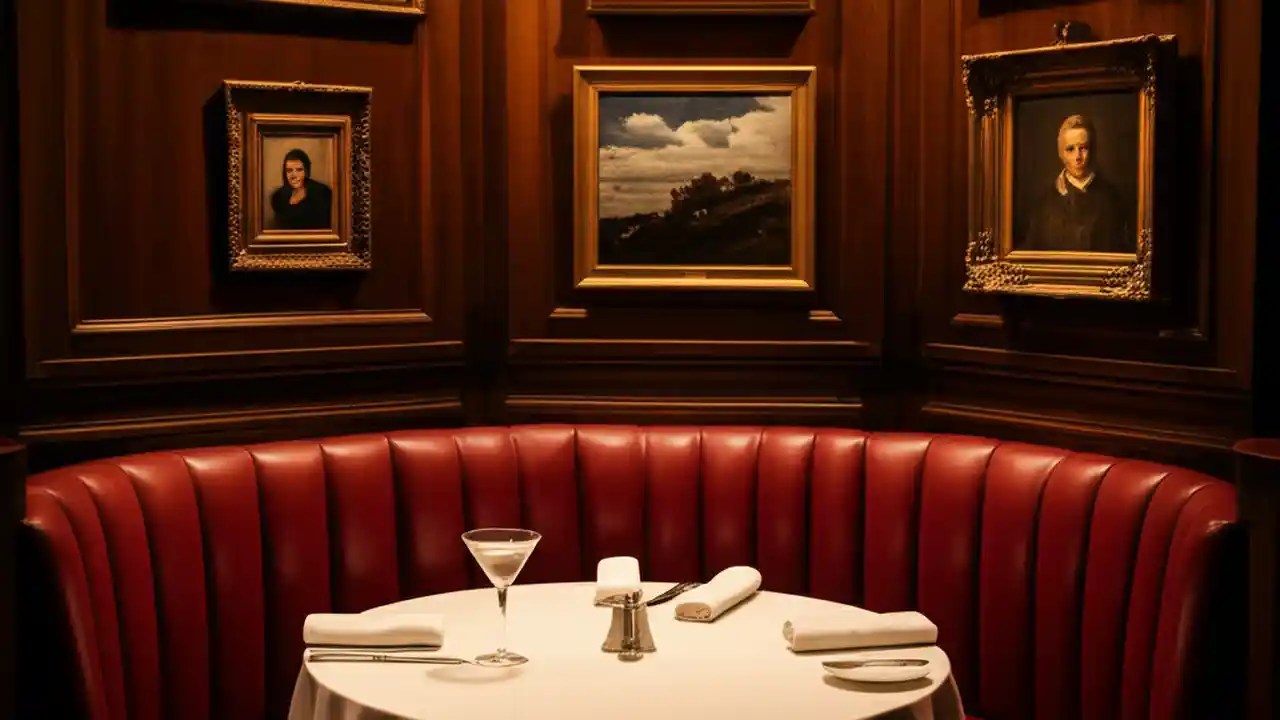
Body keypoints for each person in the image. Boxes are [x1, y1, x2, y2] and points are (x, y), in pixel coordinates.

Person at [1022, 114, 1132, 253]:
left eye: (1083, 148)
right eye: (1070, 149)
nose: (1077, 157)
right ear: (1061, 154)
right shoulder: (1044, 203)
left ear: (1092, 150)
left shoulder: (1113, 199)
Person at [269, 148, 333, 231]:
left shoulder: (321, 193)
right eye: (289, 171)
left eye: (299, 170)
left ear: (306, 171)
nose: (294, 175)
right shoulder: (278, 197)